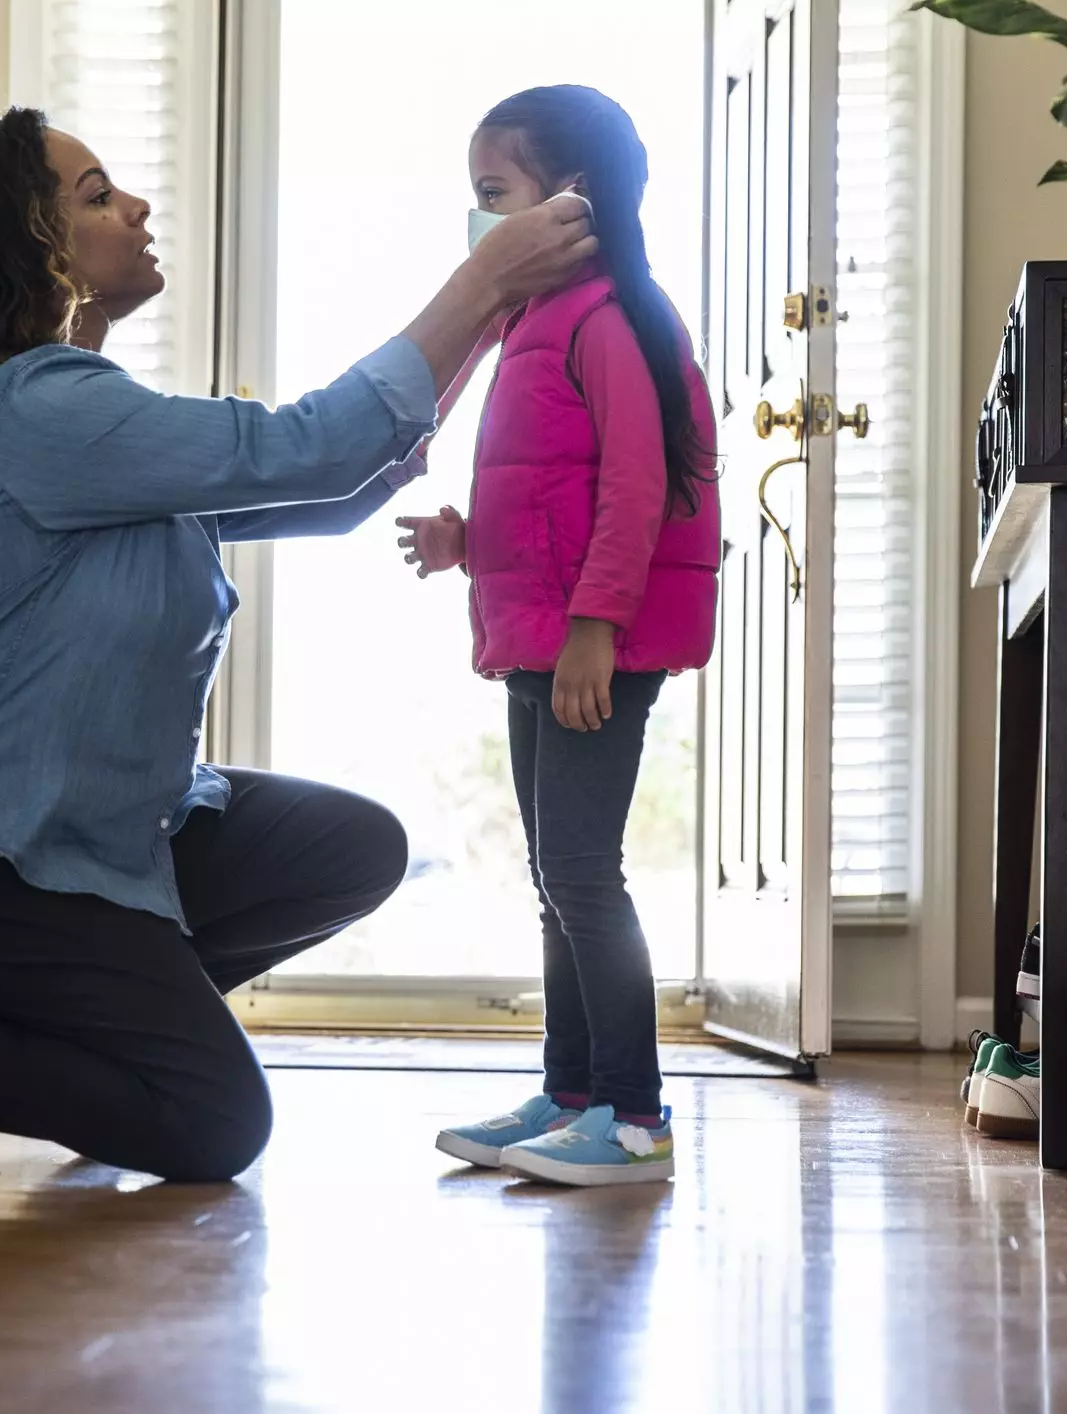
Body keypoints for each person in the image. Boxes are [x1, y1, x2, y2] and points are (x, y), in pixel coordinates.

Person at [0, 107, 597, 1180]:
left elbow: (335, 484)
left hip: (93, 836)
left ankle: (103, 1055)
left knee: (351, 847)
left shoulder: (93, 427)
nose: (136, 208)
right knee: (213, 1124)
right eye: (96, 195)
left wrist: (495, 302)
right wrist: (483, 283)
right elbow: (310, 445)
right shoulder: (39, 410)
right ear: (29, 245)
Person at [400, 87, 720, 1187]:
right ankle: (570, 1091)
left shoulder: (608, 315)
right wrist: (463, 538)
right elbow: (553, 491)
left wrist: (596, 626)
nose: (480, 220)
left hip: (593, 643)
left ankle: (635, 1117)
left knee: (585, 871)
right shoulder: (533, 322)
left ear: (570, 200)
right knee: (555, 875)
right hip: (538, 632)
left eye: (493, 194)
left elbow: (636, 488)